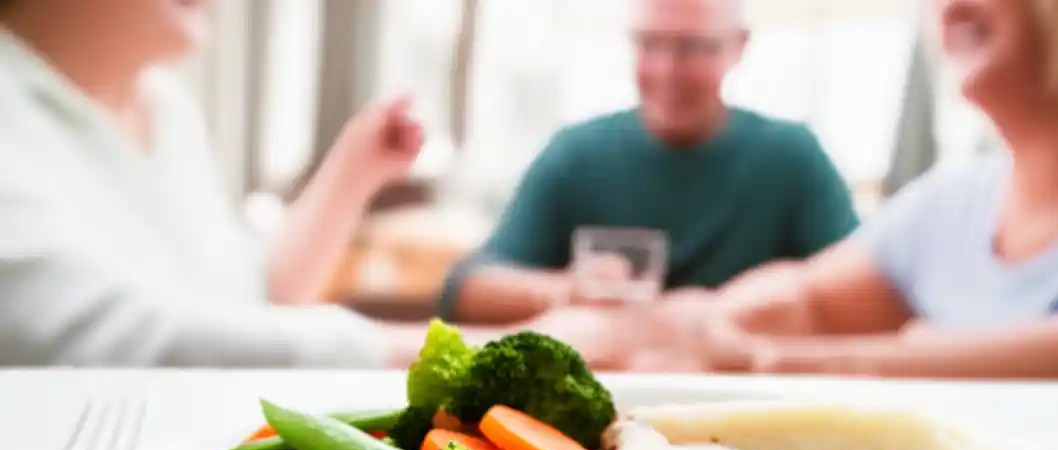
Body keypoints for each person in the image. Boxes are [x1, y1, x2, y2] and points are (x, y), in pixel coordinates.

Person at [638, 0, 1058, 378]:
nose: (947, 9)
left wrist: (792, 363)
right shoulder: (950, 200)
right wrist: (677, 325)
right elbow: (807, 300)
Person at [0, 0, 431, 367]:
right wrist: (419, 351)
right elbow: (115, 338)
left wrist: (352, 175)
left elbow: (246, 305)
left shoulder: (170, 109)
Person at [440, 0, 859, 326]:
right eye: (649, 44)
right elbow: (466, 288)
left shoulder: (792, 157)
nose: (666, 69)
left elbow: (866, 285)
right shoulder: (578, 154)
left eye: (691, 47)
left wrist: (761, 303)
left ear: (738, 46)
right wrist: (568, 290)